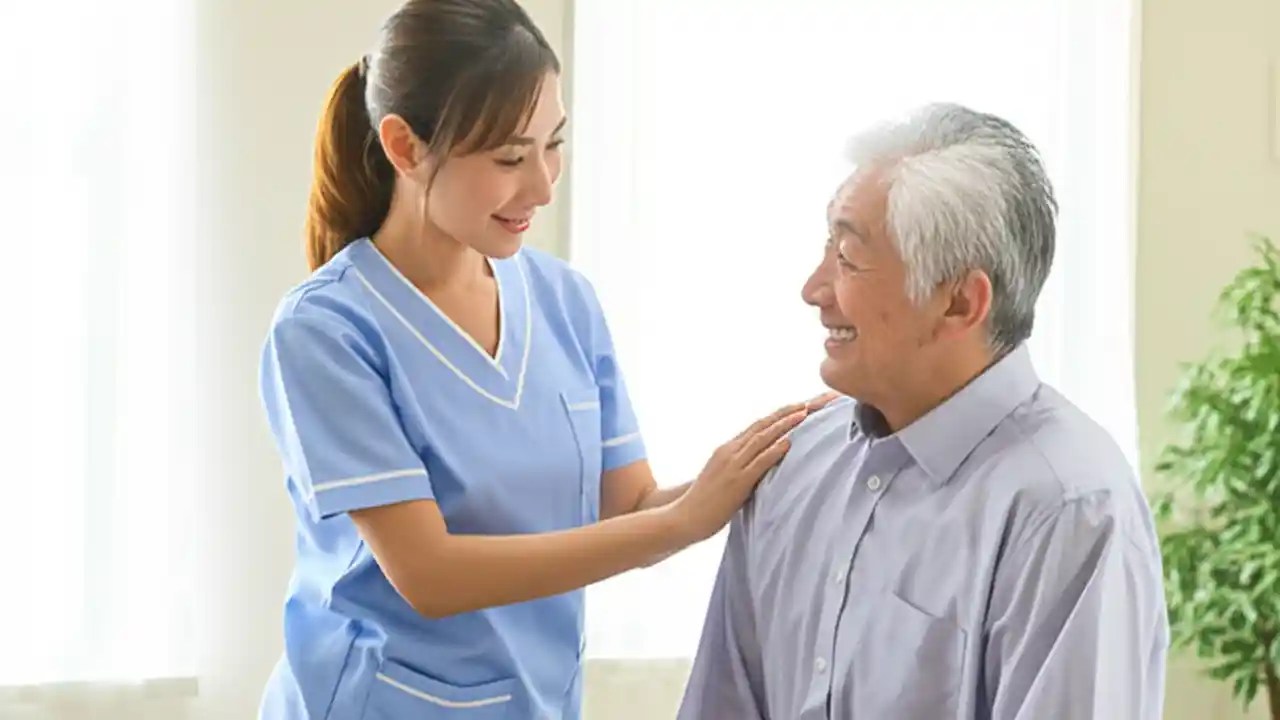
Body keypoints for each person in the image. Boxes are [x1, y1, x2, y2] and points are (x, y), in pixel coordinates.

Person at [255, 2, 828, 718]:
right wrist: (682, 524)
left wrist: (767, 463)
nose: (543, 185)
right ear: (404, 147)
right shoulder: (328, 330)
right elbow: (429, 575)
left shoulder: (565, 302)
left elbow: (630, 509)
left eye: (553, 144)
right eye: (508, 158)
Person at [677, 103, 1169, 720]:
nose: (814, 289)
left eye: (849, 258)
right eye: (826, 246)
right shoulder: (788, 468)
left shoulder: (1070, 511)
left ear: (961, 302)